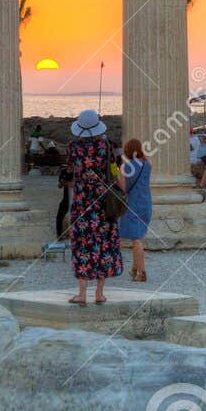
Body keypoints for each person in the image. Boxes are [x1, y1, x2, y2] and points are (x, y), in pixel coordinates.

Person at [65, 109, 120, 305]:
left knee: (82, 246)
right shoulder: (106, 146)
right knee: (103, 245)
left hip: (81, 201)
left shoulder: (72, 147)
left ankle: (81, 293)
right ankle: (99, 293)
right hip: (103, 201)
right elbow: (114, 170)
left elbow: (69, 169)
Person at [118, 138, 153, 282]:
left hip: (132, 204)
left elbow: (124, 188)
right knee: (136, 237)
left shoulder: (125, 167)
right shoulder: (147, 164)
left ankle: (142, 272)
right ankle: (134, 268)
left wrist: (117, 176)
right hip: (146, 202)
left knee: (136, 239)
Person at [54, 167, 73, 239]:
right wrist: (63, 183)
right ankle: (59, 235)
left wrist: (66, 183)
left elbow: (72, 184)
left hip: (75, 198)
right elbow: (60, 185)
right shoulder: (64, 171)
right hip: (66, 199)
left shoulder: (77, 172)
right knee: (59, 217)